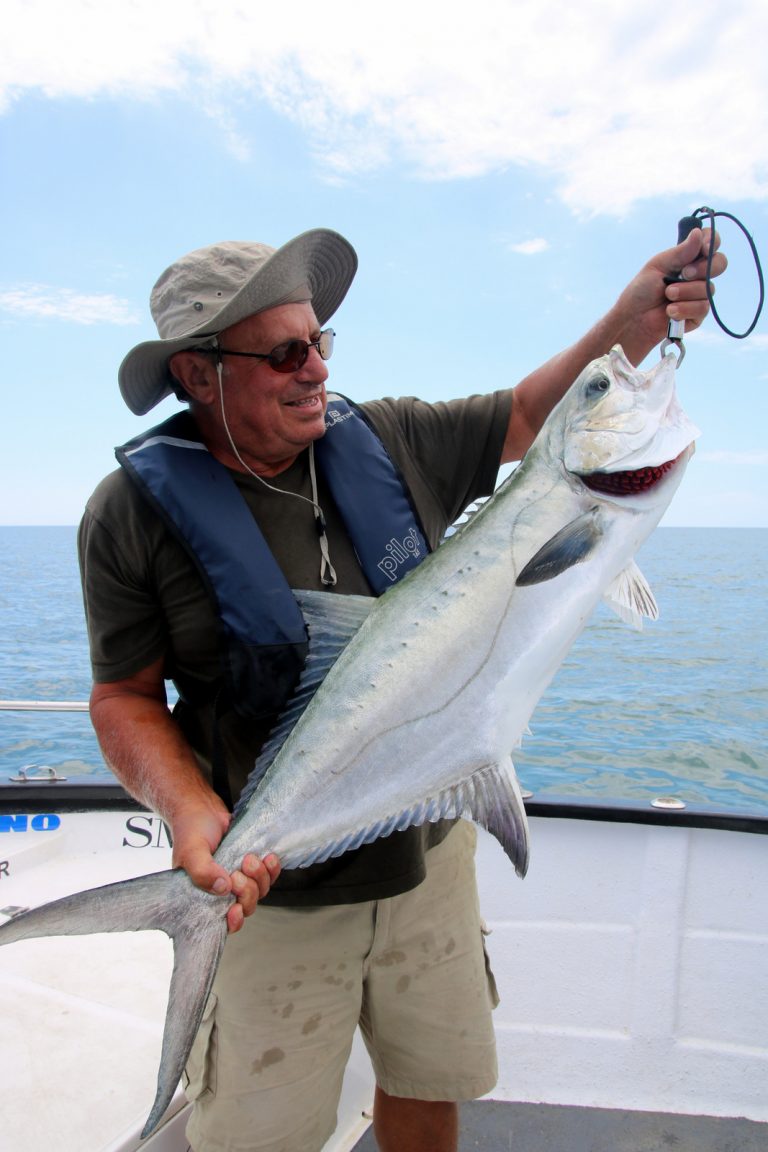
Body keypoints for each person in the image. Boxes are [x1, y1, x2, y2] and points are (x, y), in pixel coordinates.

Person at [78, 226, 725, 1152]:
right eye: (284, 352)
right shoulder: (130, 513)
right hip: (273, 896)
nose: (314, 369)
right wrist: (189, 814)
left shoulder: (389, 438)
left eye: (321, 342)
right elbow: (123, 697)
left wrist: (633, 318)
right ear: (195, 373)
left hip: (429, 863)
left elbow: (532, 417)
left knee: (428, 1087)